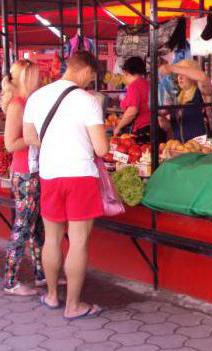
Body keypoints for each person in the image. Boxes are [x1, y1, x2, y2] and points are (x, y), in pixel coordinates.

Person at [23, 51, 108, 319]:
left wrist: (56, 145)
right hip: (80, 175)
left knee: (52, 238)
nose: (89, 81)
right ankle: (73, 306)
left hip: (50, 173)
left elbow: (28, 137)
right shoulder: (88, 101)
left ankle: (51, 296)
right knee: (79, 241)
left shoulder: (37, 97)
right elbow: (102, 148)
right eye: (91, 77)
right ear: (85, 71)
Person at [1, 59, 45, 296]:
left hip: (34, 170)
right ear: (27, 78)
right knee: (22, 226)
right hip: (25, 172)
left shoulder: (28, 102)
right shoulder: (18, 104)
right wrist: (37, 139)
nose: (40, 79)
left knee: (36, 226)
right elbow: (10, 144)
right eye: (37, 75)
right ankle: (10, 280)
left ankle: (41, 274)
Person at [159, 59, 209, 142]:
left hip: (200, 146)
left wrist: (172, 68)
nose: (180, 77)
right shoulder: (176, 96)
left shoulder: (200, 93)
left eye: (184, 74)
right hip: (181, 147)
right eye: (178, 74)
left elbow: (203, 78)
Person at [114, 56, 150, 143]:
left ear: (126, 72)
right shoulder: (147, 83)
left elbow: (132, 110)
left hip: (142, 129)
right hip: (153, 127)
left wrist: (118, 127)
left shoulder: (134, 86)